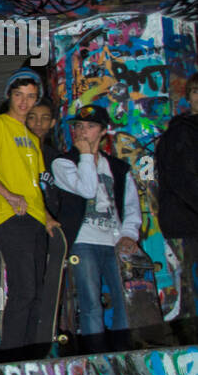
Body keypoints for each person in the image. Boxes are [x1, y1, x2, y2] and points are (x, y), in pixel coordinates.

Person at [0, 69, 58, 361]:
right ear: (9, 95)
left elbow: (33, 186)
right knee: (23, 289)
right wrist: (6, 194)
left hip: (34, 218)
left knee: (38, 292)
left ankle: (31, 357)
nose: (24, 102)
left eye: (30, 97)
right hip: (10, 217)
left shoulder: (32, 138)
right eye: (19, 95)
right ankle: (11, 359)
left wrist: (48, 217)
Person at [49, 105, 142, 353]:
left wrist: (129, 234)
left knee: (125, 299)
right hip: (83, 240)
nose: (82, 131)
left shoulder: (119, 168)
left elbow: (131, 206)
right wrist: (86, 156)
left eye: (90, 127)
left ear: (103, 131)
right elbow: (88, 190)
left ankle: (123, 355)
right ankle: (97, 358)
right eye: (78, 126)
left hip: (114, 241)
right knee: (90, 303)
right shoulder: (63, 162)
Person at [156, 72, 198, 338]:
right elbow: (180, 176)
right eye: (196, 92)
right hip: (187, 219)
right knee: (190, 281)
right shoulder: (181, 130)